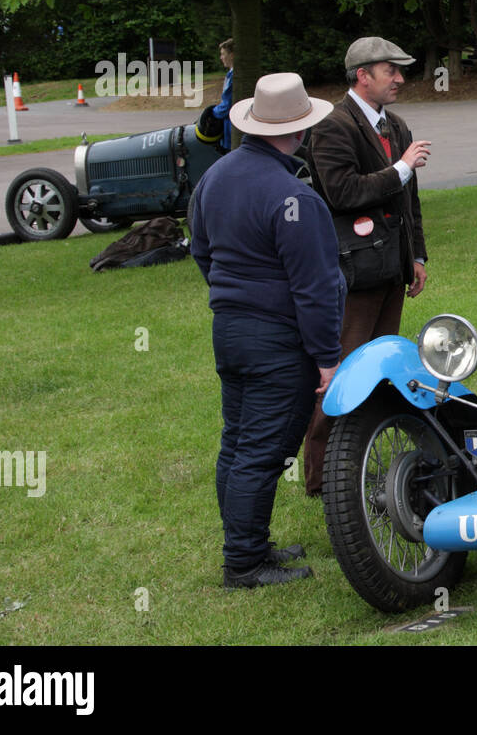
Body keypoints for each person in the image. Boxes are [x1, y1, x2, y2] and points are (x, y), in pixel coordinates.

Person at [188, 72, 344, 589]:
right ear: (300, 131)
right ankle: (244, 563)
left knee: (236, 443)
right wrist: (327, 356)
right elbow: (316, 286)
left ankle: (249, 547)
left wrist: (235, 295)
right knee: (263, 450)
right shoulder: (291, 195)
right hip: (275, 341)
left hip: (229, 330)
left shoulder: (215, 176)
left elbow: (202, 251)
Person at [301, 36, 430, 496]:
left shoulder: (395, 125)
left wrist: (415, 255)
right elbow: (342, 192)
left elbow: (408, 200)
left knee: (379, 372)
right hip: (354, 276)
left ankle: (358, 464)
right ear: (363, 75)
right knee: (339, 375)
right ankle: (319, 478)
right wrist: (400, 168)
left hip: (390, 271)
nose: (400, 79)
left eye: (399, 70)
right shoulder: (332, 127)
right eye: (390, 70)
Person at [209, 38, 234, 150]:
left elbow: (227, 105)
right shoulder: (230, 75)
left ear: (232, 55)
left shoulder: (234, 77)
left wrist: (212, 113)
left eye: (223, 54)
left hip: (231, 128)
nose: (221, 57)